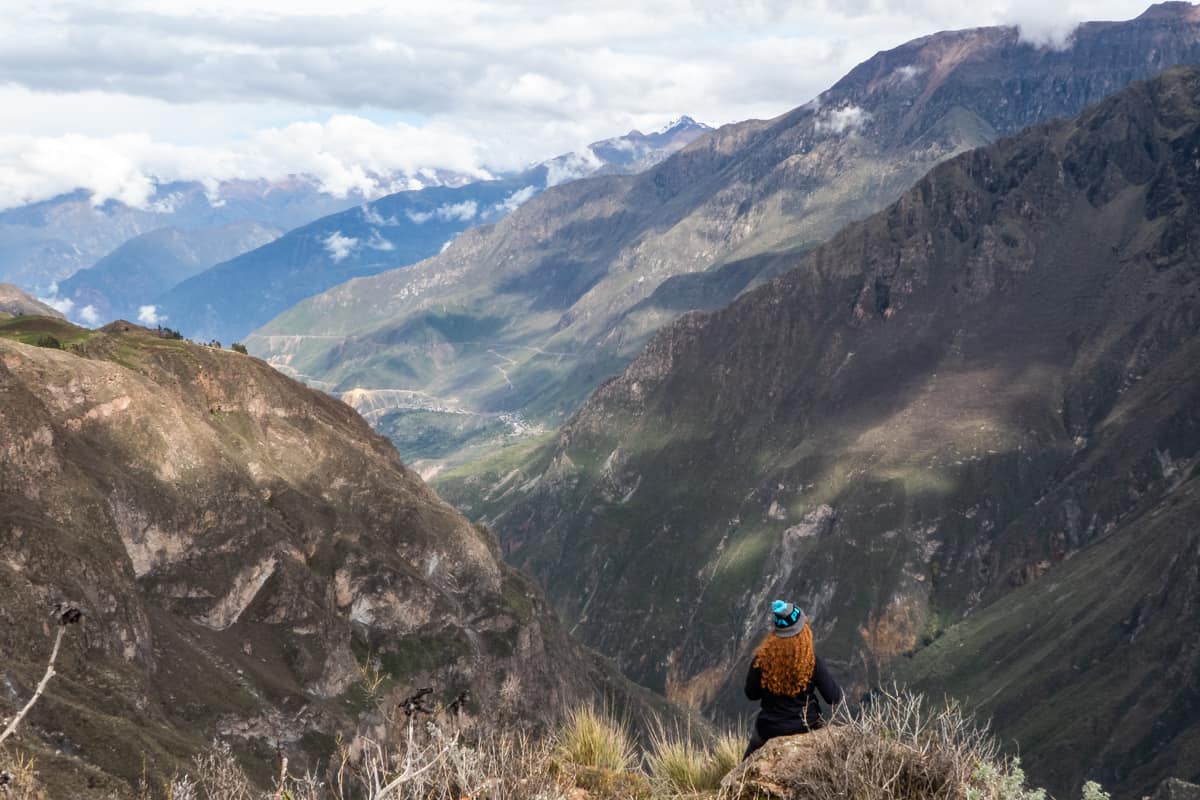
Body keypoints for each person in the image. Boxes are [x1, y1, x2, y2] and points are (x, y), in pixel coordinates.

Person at [742, 599, 843, 758]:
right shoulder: (811, 662)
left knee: (744, 767)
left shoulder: (761, 660)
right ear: (803, 631)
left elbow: (751, 693)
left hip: (769, 729)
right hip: (806, 727)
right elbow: (833, 697)